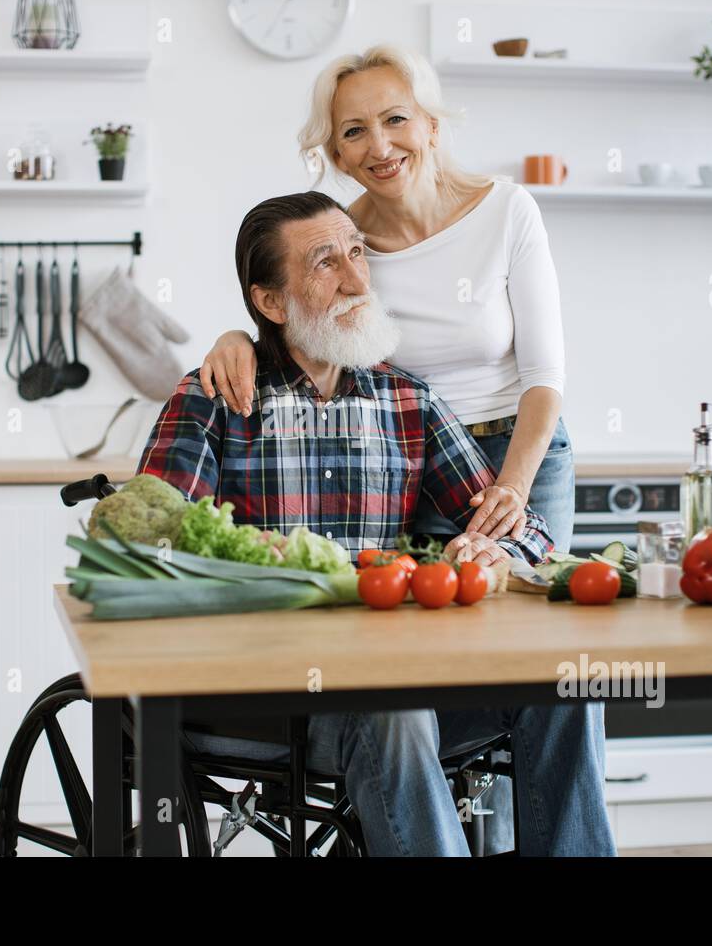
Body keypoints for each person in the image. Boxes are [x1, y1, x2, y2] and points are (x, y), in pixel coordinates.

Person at [137, 190, 614, 856]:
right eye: (326, 263)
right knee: (394, 703)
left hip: (394, 689)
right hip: (259, 697)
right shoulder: (214, 398)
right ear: (271, 303)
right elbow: (152, 546)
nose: (359, 279)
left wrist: (498, 547)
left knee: (566, 685)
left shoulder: (408, 400)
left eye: (358, 252)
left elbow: (524, 530)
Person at [197, 45, 585, 853]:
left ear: (432, 124)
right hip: (409, 466)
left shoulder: (504, 211)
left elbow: (545, 379)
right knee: (407, 683)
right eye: (353, 132)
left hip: (512, 449)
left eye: (396, 118)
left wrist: (508, 502)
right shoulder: (341, 233)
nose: (379, 145)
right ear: (333, 150)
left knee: (542, 665)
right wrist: (236, 332)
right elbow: (290, 304)